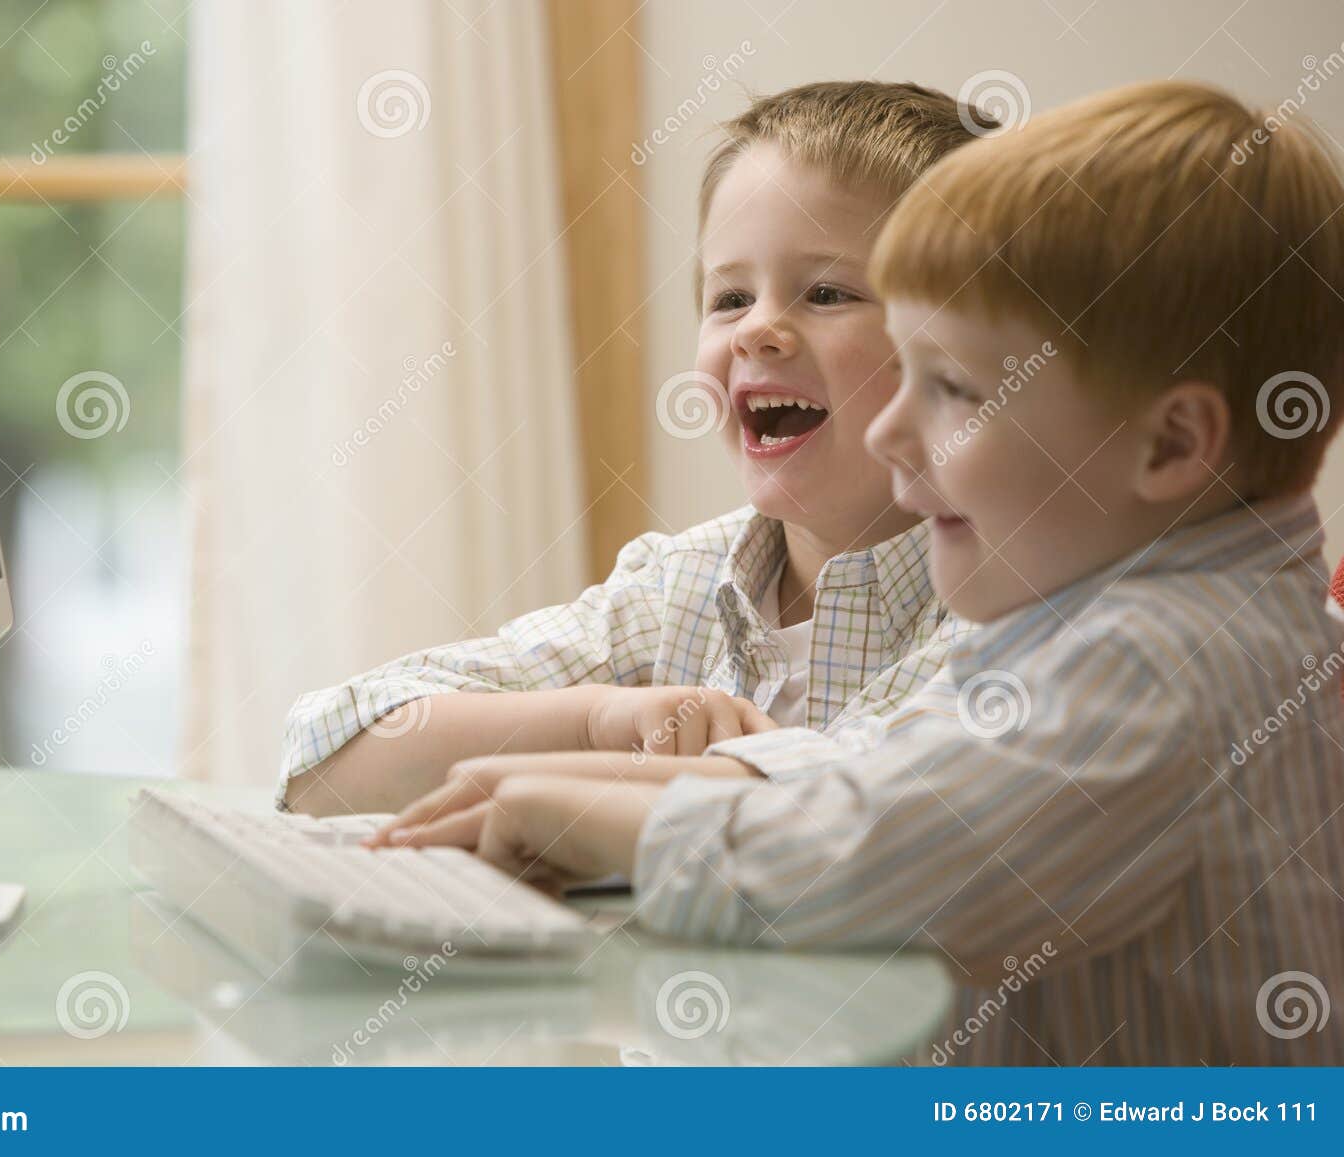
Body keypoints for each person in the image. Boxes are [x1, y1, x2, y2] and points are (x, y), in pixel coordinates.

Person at [379, 80, 1344, 1065]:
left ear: (1171, 442)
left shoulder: (1163, 656)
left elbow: (882, 854)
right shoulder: (1129, 618)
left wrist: (593, 818)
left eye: (955, 389)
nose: (888, 429)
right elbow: (881, 775)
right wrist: (560, 775)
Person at [280, 81, 992, 815]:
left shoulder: (1013, 599)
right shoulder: (678, 590)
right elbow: (324, 759)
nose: (756, 330)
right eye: (729, 299)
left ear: (972, 351)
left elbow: (883, 805)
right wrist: (594, 721)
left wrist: (591, 795)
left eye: (827, 293)